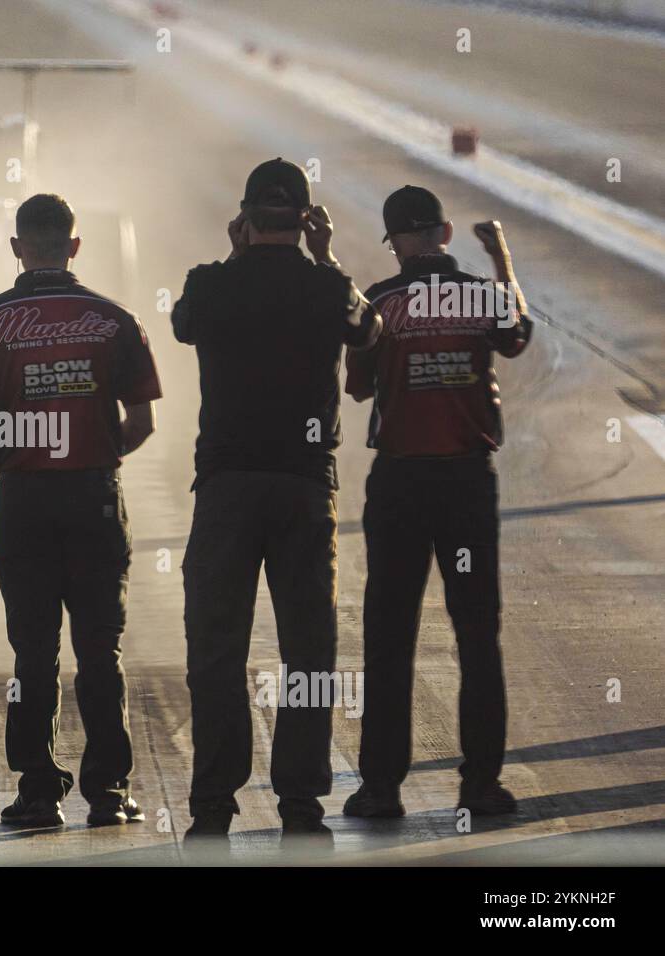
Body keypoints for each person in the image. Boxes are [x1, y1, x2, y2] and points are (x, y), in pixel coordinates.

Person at [0, 193, 162, 828]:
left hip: (24, 502)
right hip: (93, 496)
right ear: (74, 245)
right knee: (100, 649)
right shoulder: (114, 319)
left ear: (15, 247)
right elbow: (142, 421)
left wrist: (18, 442)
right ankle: (110, 793)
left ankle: (37, 791)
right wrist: (93, 454)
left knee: (32, 652)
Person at [173, 158, 381, 840]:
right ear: (304, 220)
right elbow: (368, 329)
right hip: (302, 485)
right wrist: (326, 256)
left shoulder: (211, 284)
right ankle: (299, 801)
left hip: (227, 486)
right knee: (308, 651)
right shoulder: (328, 287)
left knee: (216, 648)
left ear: (244, 218)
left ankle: (212, 802)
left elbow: (183, 323)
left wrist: (233, 257)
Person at [344, 186, 532, 819]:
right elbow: (518, 335)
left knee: (389, 637)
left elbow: (358, 388)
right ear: (445, 235)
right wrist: (501, 255)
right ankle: (481, 785)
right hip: (466, 485)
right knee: (478, 635)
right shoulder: (483, 296)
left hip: (399, 483)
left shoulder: (379, 303)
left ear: (396, 241)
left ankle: (380, 789)